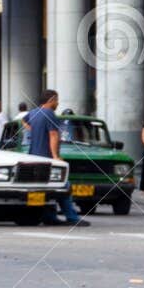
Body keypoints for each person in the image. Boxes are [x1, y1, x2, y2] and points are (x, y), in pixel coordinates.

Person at [27, 89, 88, 227]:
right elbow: (53, 135)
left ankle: (50, 216)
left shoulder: (33, 113)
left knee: (49, 186)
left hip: (34, 155)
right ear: (51, 100)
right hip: (47, 157)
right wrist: (55, 156)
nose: (58, 103)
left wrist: (34, 132)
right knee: (63, 185)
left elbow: (25, 123)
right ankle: (71, 217)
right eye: (56, 100)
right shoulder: (49, 114)